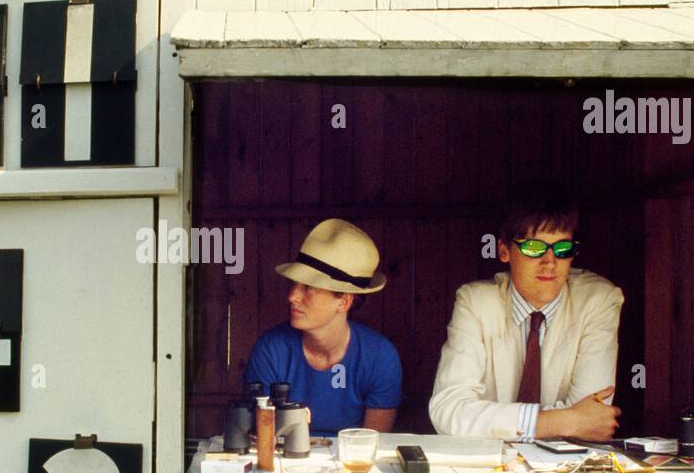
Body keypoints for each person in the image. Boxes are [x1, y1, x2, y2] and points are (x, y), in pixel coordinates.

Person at [429, 183, 623, 441]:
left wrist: (493, 421)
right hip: (491, 467)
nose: (550, 262)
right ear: (503, 250)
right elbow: (448, 411)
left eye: (563, 249)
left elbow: (593, 417)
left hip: (568, 469)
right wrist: (567, 420)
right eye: (534, 248)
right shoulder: (475, 302)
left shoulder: (598, 300)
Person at [244, 219, 402, 437]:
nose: (292, 296)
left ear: (344, 302)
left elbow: (370, 446)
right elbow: (263, 438)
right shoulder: (271, 349)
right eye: (295, 284)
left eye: (308, 287)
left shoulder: (380, 356)